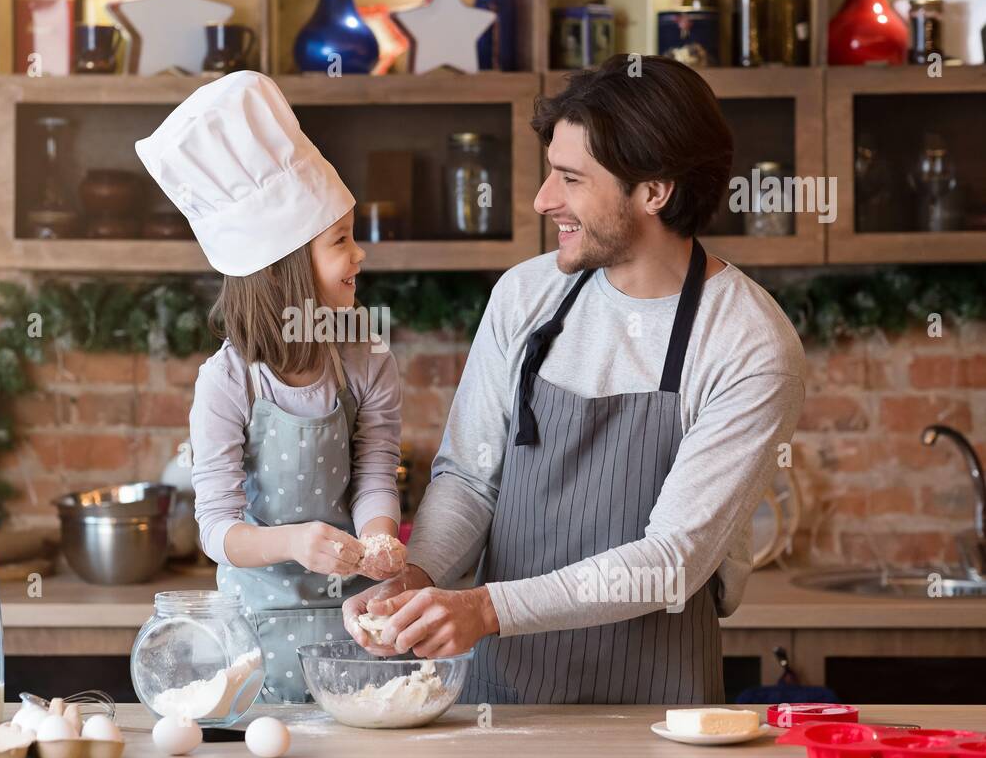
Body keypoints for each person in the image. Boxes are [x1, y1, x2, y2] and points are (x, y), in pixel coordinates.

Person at [343, 54, 805, 705]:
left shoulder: (749, 345)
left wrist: (483, 609)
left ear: (654, 190)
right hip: (500, 704)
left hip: (657, 713)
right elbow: (471, 479)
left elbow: (673, 559)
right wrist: (417, 576)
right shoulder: (525, 296)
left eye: (570, 178)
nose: (542, 200)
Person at [136, 71, 405, 703]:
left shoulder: (367, 357)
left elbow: (374, 473)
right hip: (248, 645)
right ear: (286, 271)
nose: (360, 255)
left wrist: (381, 538)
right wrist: (296, 544)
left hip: (350, 635)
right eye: (340, 240)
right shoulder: (226, 384)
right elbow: (217, 529)